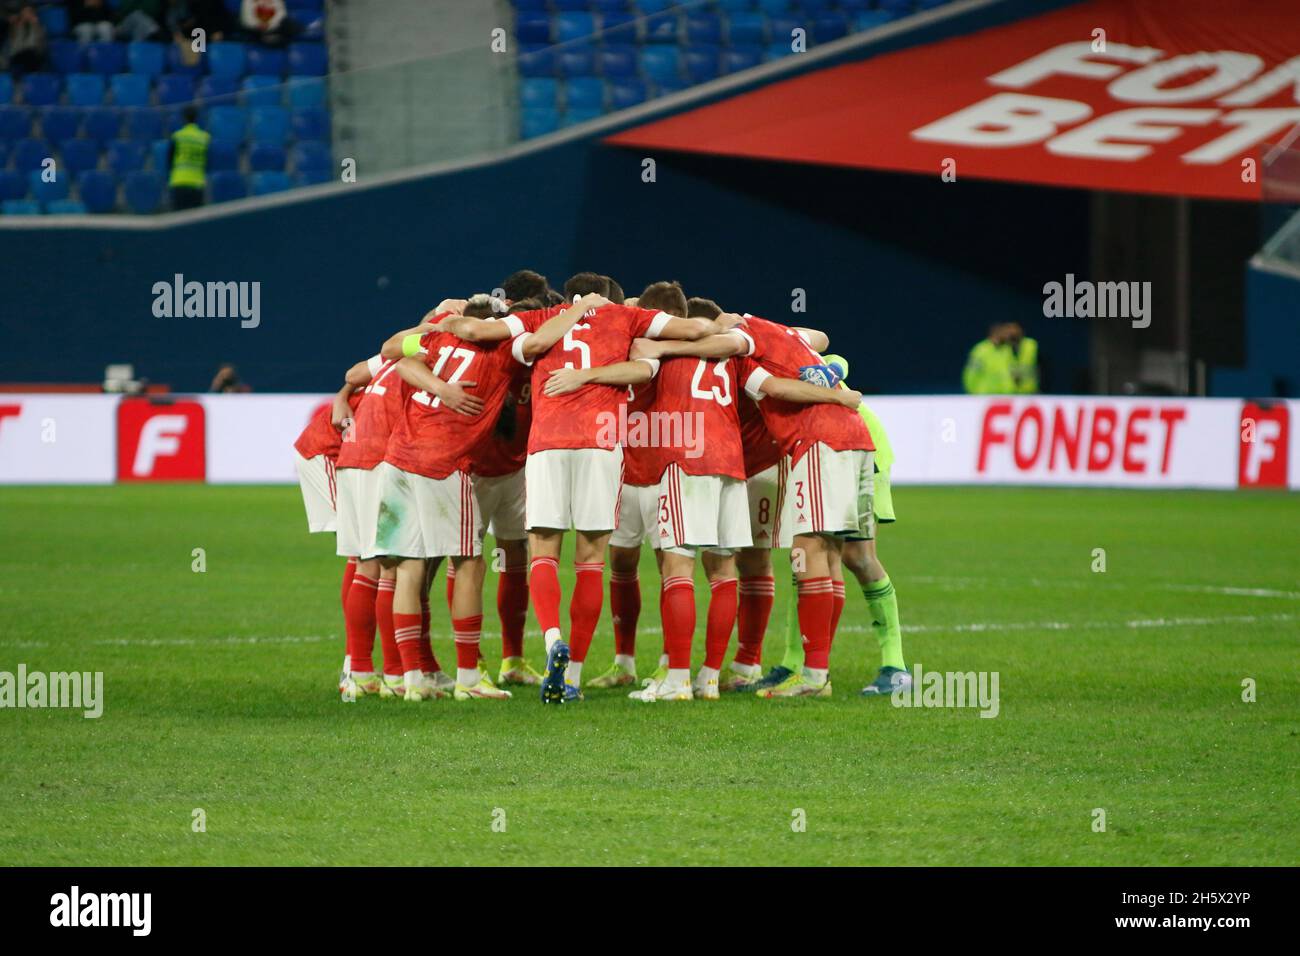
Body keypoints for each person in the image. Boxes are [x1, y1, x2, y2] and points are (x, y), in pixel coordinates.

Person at [168, 107, 210, 212]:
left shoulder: (177, 136)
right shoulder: (205, 137)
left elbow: (169, 160)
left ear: (184, 119)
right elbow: (208, 161)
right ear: (197, 118)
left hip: (179, 181)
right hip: (197, 183)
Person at [4, 3, 46, 76]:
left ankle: (31, 77)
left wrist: (35, 26)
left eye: (29, 12)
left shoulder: (38, 28)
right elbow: (15, 47)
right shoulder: (16, 27)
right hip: (18, 55)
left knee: (31, 54)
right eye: (25, 13)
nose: (26, 15)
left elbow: (39, 47)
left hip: (33, 56)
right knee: (28, 55)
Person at [1003, 322, 1040, 394]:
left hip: (1029, 390)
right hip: (1009, 392)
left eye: (1014, 328)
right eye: (1009, 329)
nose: (1012, 331)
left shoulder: (1030, 344)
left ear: (1020, 330)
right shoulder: (1003, 348)